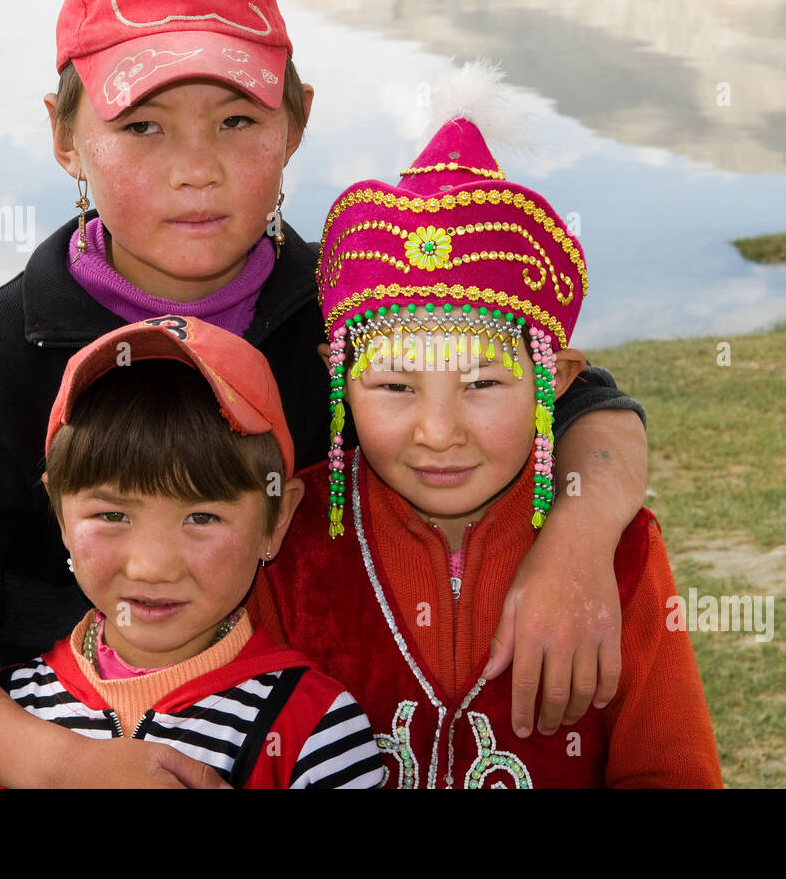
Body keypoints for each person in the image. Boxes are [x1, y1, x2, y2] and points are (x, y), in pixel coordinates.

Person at [0, 0, 650, 788]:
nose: (197, 170)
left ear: (296, 122)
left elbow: (584, 402)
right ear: (65, 135)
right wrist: (53, 759)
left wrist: (580, 541)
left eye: (237, 119)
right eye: (141, 125)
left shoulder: (353, 303)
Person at [248, 115, 722, 787]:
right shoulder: (284, 543)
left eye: (482, 383)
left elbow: (672, 772)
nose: (438, 431)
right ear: (338, 375)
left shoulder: (624, 556)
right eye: (392, 384)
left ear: (553, 381)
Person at [0, 317, 386, 788]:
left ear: (275, 521)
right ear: (60, 514)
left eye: (202, 518)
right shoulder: (5, 718)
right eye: (112, 516)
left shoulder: (314, 727)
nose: (152, 567)